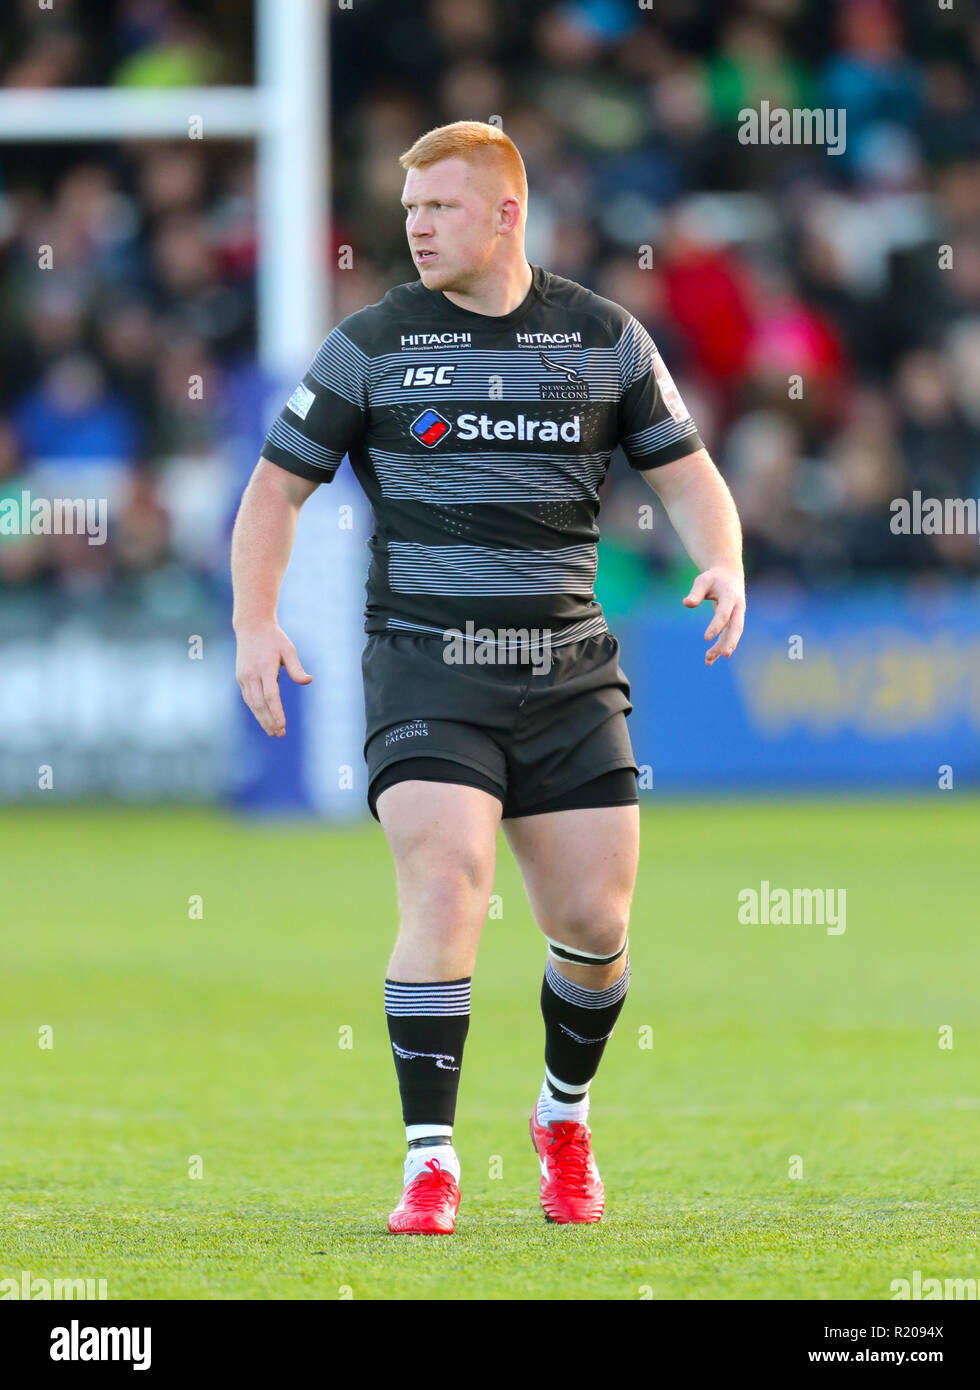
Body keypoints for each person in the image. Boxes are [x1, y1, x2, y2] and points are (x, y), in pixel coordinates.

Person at [230, 121, 745, 1234]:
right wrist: (254, 619)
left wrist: (724, 560)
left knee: (596, 929)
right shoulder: (369, 345)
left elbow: (692, 477)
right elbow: (274, 491)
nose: (415, 226)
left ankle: (562, 1117)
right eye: (409, 210)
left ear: (507, 213)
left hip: (567, 670)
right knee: (448, 881)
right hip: (427, 666)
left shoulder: (603, 339)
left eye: (440, 208)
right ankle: (430, 1161)